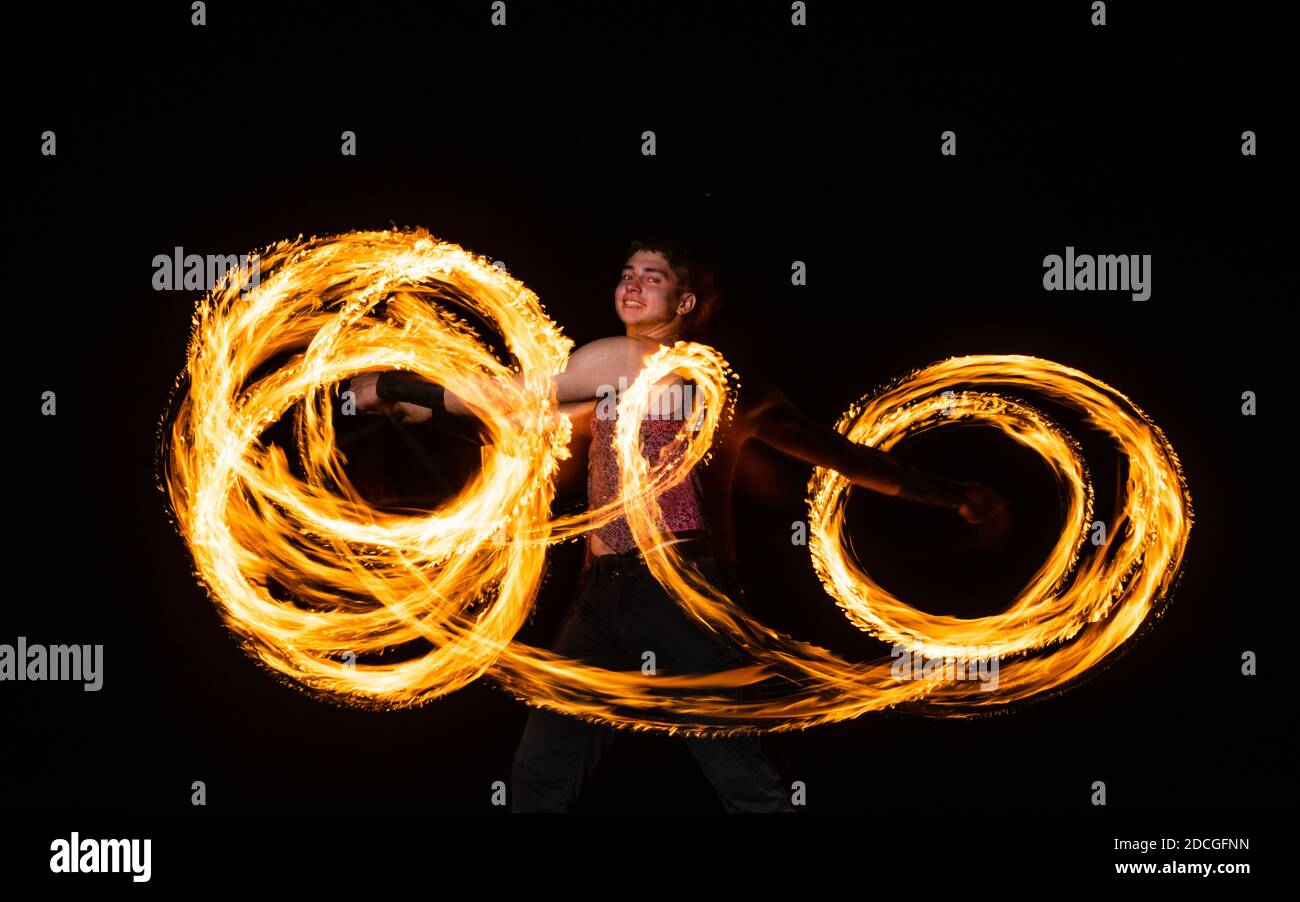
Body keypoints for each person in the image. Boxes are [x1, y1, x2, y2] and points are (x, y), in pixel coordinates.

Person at [349, 237, 1009, 812]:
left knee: (744, 779)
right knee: (544, 773)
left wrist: (396, 386)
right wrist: (956, 496)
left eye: (653, 276)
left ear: (687, 302)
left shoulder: (631, 360)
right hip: (600, 600)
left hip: (682, 597)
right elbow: (527, 422)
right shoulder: (659, 384)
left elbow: (508, 395)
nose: (632, 285)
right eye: (626, 273)